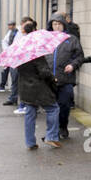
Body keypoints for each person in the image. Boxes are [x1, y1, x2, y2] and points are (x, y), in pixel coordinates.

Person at [15, 20, 60, 150]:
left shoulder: (20, 49)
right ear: (34, 31)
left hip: (25, 88)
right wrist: (53, 79)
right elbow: (44, 72)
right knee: (53, 108)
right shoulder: (35, 50)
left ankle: (30, 142)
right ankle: (51, 136)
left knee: (30, 113)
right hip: (39, 88)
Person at [48, 13, 84, 141]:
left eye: (59, 24)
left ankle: (63, 126)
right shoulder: (47, 39)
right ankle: (53, 132)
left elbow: (80, 57)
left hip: (66, 79)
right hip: (50, 80)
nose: (56, 26)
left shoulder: (72, 39)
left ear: (63, 25)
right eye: (54, 24)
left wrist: (73, 65)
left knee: (64, 105)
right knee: (52, 107)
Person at [7, 16, 35, 111]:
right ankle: (16, 100)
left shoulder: (33, 36)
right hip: (17, 60)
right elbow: (11, 44)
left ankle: (25, 105)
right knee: (16, 81)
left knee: (25, 84)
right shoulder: (17, 33)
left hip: (26, 63)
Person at [0, 22, 18, 94]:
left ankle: (12, 86)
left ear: (14, 25)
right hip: (9, 53)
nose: (9, 26)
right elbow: (4, 41)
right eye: (8, 25)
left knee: (13, 72)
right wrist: (7, 49)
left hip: (14, 54)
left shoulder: (17, 32)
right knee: (5, 70)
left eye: (10, 25)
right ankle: (2, 85)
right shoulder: (10, 32)